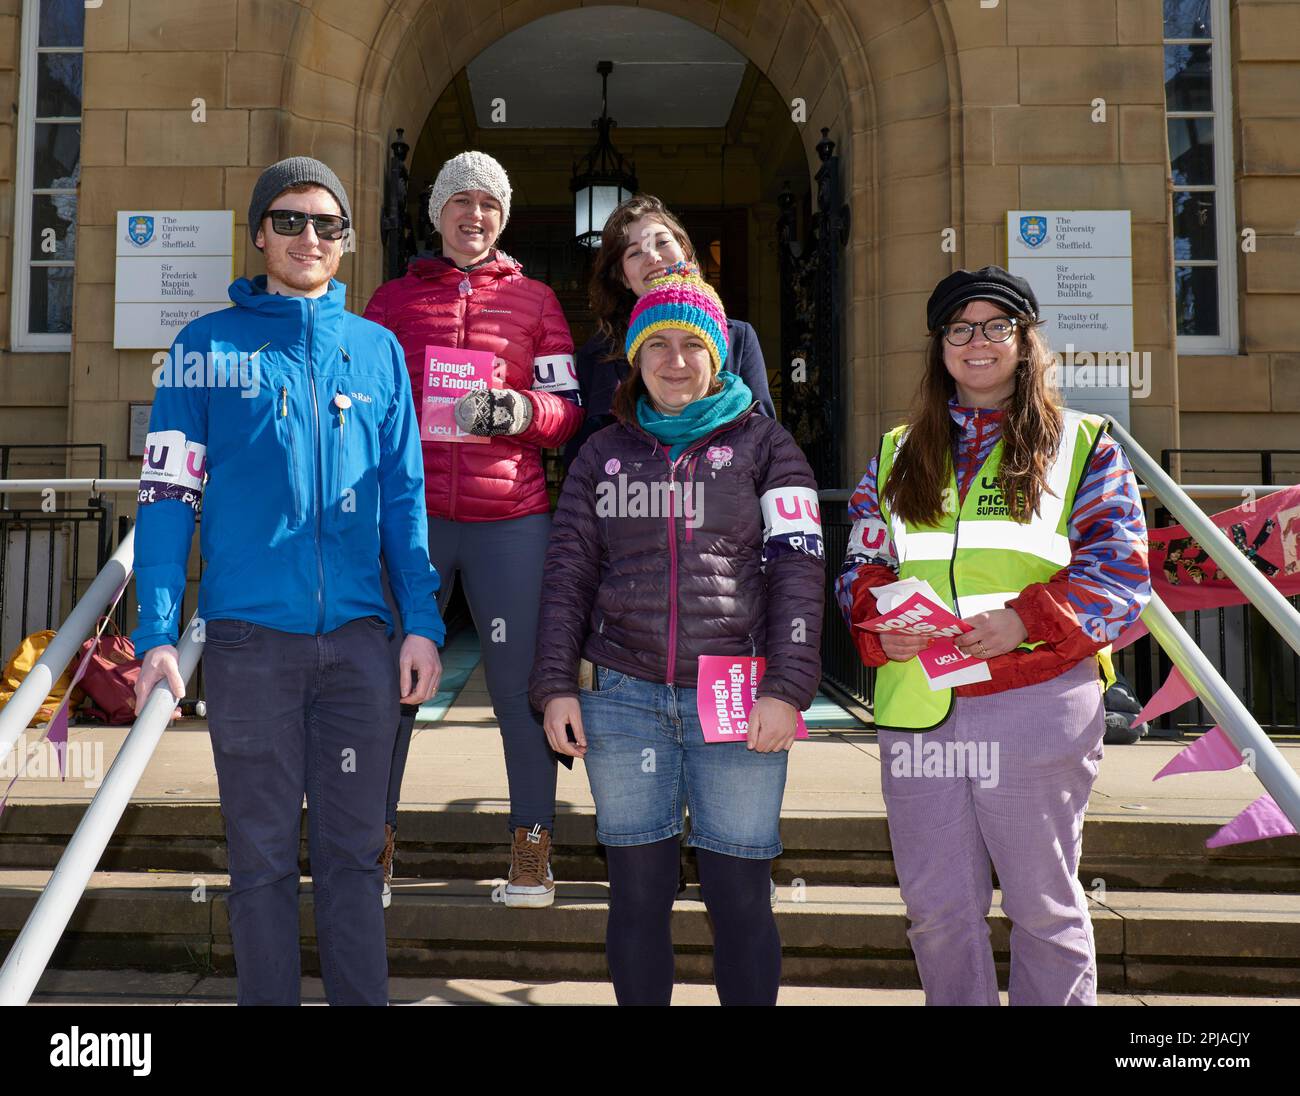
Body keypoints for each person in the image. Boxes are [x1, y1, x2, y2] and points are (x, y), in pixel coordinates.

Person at [131, 157, 444, 1006]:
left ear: (346, 242)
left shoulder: (378, 352)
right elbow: (166, 497)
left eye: (328, 224)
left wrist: (422, 620)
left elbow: (405, 499)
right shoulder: (203, 348)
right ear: (261, 233)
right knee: (261, 862)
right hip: (247, 644)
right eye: (291, 220)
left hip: (358, 648)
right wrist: (156, 632)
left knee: (352, 858)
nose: (311, 237)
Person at [837, 265, 1151, 1006]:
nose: (977, 342)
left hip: (1035, 699)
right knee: (938, 913)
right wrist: (883, 624)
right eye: (959, 328)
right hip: (919, 706)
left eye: (995, 326)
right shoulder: (893, 452)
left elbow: (1122, 575)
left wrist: (1022, 622)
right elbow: (861, 564)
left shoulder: (1086, 444)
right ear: (939, 345)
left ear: (1024, 339)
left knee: (1042, 907)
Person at [530, 261, 825, 1005]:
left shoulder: (767, 447)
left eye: (692, 344)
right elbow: (567, 575)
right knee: (635, 897)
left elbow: (797, 570)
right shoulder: (602, 453)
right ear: (635, 357)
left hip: (737, 700)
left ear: (718, 354)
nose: (675, 360)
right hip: (623, 699)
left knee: (739, 897)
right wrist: (556, 684)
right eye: (656, 344)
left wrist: (788, 686)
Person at [364, 151, 582, 908]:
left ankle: (532, 852)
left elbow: (568, 411)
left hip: (509, 518)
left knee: (521, 689)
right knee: (389, 685)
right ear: (437, 214)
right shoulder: (389, 302)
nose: (475, 214)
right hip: (412, 520)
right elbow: (361, 407)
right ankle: (371, 850)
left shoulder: (537, 300)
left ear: (504, 217)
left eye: (489, 202)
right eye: (460, 200)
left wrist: (520, 412)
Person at [563, 194, 775, 469]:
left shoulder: (738, 337)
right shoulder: (602, 351)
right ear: (623, 277)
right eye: (635, 252)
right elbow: (587, 452)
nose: (652, 257)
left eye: (662, 242)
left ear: (685, 250)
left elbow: (764, 435)